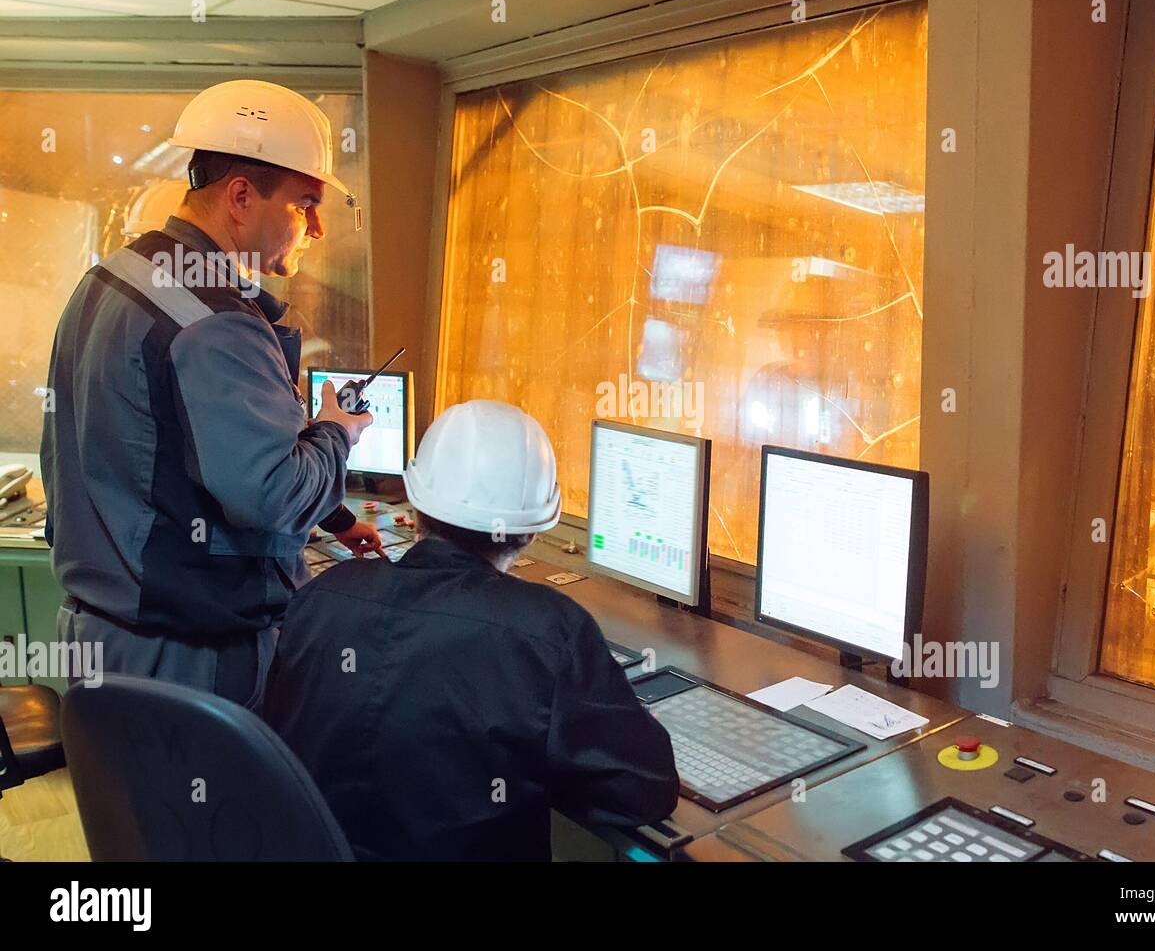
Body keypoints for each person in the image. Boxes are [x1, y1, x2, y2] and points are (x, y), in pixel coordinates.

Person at [40, 79, 384, 710]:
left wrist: (334, 516)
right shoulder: (216, 319)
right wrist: (337, 432)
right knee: (214, 810)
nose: (314, 228)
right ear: (242, 196)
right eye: (305, 204)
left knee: (135, 809)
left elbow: (166, 446)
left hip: (101, 637)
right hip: (184, 660)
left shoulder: (111, 278)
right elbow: (272, 498)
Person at [262, 400, 679, 860]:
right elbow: (644, 790)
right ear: (535, 531)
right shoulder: (548, 629)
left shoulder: (320, 596)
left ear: (416, 503)